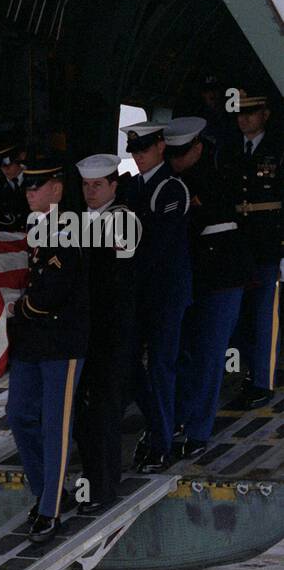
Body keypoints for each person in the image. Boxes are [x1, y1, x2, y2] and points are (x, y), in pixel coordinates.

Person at [5, 158, 88, 542]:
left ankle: (50, 510)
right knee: (19, 415)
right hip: (32, 342)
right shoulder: (37, 228)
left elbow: (54, 289)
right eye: (27, 188)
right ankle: (46, 493)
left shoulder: (70, 228)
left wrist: (18, 307)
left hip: (59, 340)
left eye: (37, 187)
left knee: (56, 427)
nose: (30, 193)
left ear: (56, 188)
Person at [168, 116, 252, 458]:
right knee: (185, 354)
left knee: (209, 355)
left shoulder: (216, 176)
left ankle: (198, 431)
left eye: (182, 152)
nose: (175, 159)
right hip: (189, 279)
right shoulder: (172, 181)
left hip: (220, 278)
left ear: (198, 147)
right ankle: (179, 419)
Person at [120, 121, 192, 471]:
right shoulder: (130, 188)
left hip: (164, 294)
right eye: (134, 151)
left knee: (162, 366)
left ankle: (163, 442)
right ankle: (158, 425)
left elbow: (156, 246)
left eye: (144, 149)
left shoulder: (172, 190)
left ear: (161, 146)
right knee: (131, 366)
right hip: (137, 296)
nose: (138, 156)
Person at [72, 153, 137, 513]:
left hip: (113, 332)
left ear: (114, 185)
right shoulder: (82, 222)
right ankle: (94, 483)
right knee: (85, 414)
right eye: (85, 185)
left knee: (105, 412)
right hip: (86, 331)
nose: (90, 191)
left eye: (97, 185)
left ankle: (105, 487)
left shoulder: (123, 220)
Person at [227, 89, 282, 409]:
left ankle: (264, 380)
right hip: (239, 245)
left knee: (264, 314)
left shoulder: (278, 150)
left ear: (266, 114)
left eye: (251, 111)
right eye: (239, 113)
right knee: (243, 314)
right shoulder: (232, 152)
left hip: (269, 242)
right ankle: (246, 373)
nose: (244, 118)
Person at [0, 138, 30, 229]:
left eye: (7, 163)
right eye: (0, 164)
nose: (4, 168)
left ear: (22, 156)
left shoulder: (36, 180)